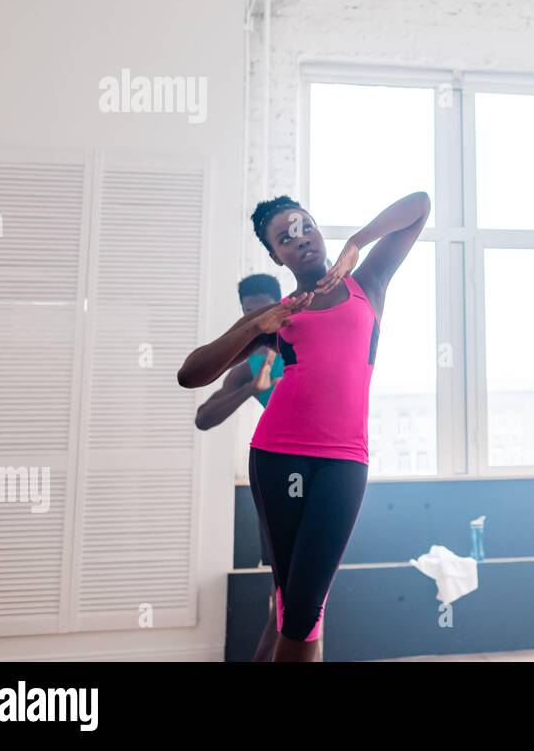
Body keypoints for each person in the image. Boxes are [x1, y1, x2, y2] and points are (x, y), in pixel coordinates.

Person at [179, 191, 430, 661]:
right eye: (286, 238)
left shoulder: (369, 282)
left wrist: (360, 239)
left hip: (346, 462)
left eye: (305, 226)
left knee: (302, 606)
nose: (301, 239)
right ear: (277, 256)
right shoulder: (278, 314)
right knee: (297, 607)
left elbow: (420, 203)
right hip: (279, 458)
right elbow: (190, 375)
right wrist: (255, 327)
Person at [193, 272, 286, 661]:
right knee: (283, 598)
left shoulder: (307, 342)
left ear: (281, 304)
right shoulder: (254, 363)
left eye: (265, 308)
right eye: (250, 313)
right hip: (280, 480)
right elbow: (204, 416)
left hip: (330, 472)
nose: (258, 317)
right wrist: (252, 388)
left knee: (303, 599)